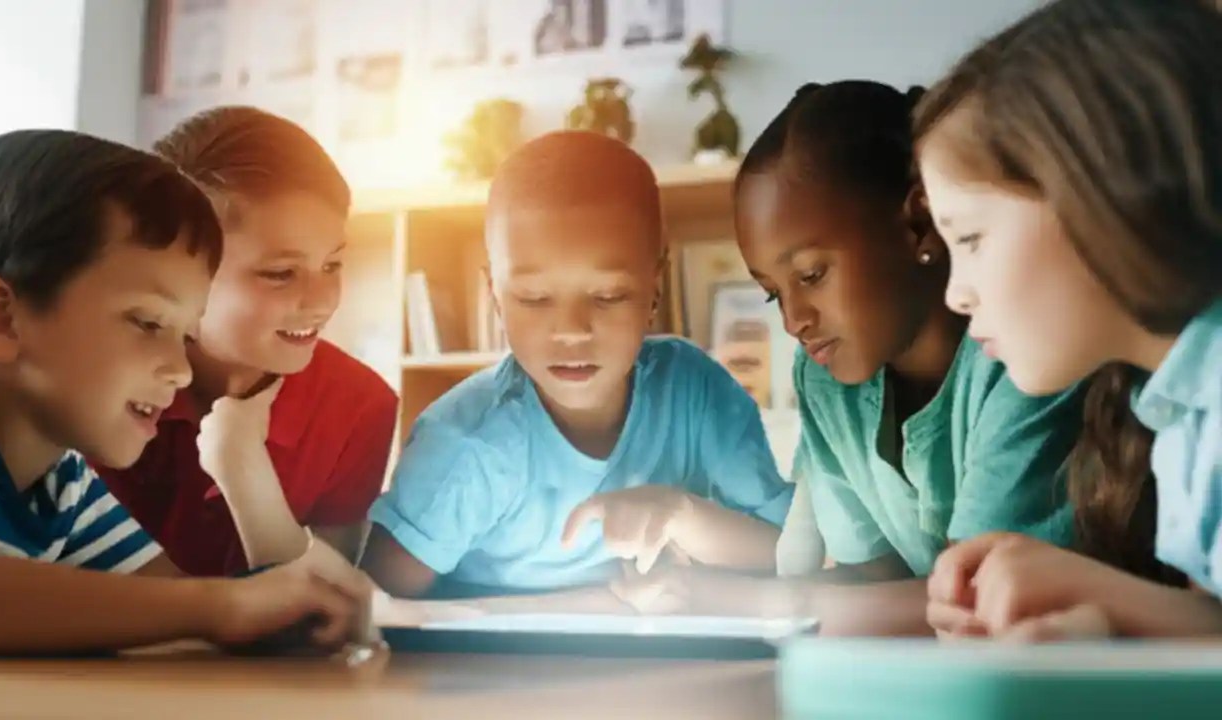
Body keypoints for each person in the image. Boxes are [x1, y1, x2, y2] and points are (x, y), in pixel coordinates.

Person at [614, 81, 1084, 636]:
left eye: (812, 275)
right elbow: (870, 577)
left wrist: (733, 600)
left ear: (919, 222)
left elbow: (974, 602)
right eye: (773, 293)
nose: (793, 320)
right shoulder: (826, 383)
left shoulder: (1021, 359)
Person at [0, 130, 366, 655]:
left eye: (186, 336)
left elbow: (170, 608)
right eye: (147, 323)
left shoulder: (62, 485)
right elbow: (197, 609)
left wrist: (277, 611)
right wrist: (220, 608)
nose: (180, 371)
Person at [362, 131, 792, 599]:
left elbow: (798, 552)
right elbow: (372, 610)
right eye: (534, 298)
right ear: (495, 296)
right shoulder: (469, 448)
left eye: (607, 296)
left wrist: (684, 516)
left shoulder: (694, 394)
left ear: (655, 288)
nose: (571, 331)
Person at [917, 0, 1222, 640]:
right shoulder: (1174, 415)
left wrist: (1105, 598)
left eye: (969, 238)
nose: (955, 295)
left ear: (1101, 185)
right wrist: (1088, 620)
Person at [96, 107, 397, 576]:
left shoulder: (360, 408)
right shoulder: (97, 387)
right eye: (280, 274)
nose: (320, 302)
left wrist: (245, 472)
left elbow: (325, 612)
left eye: (333, 265)